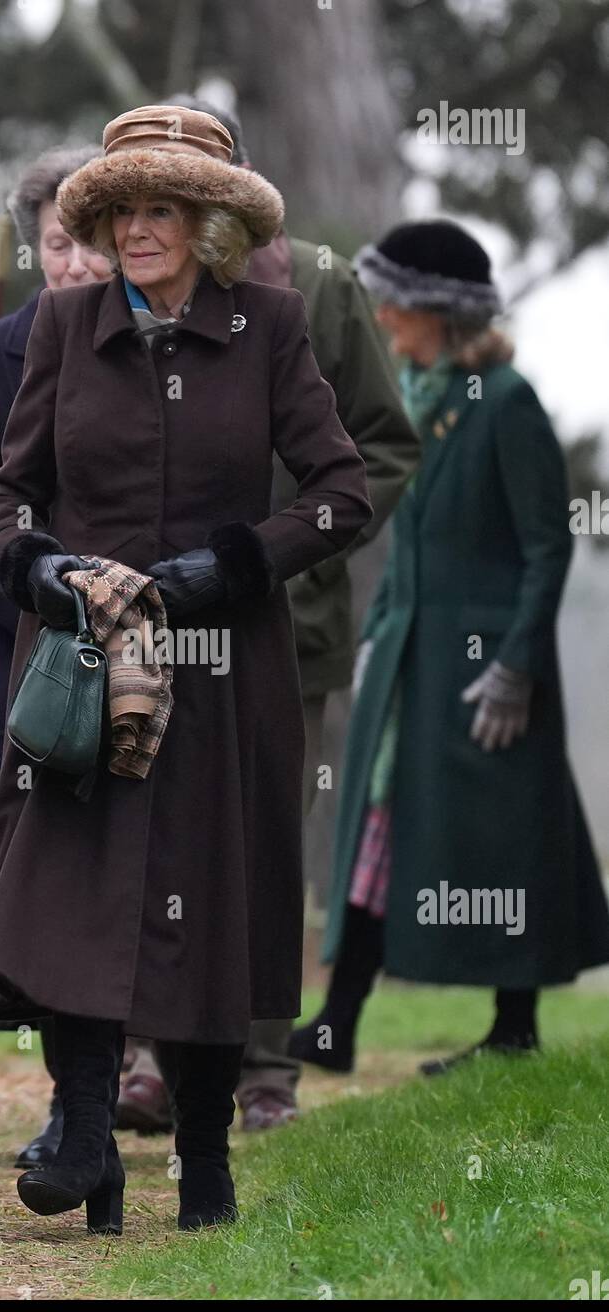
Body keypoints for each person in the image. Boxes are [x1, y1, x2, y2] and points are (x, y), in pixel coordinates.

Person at [0, 104, 372, 1234]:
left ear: (209, 224)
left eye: (163, 209)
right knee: (73, 899)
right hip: (86, 664)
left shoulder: (272, 328)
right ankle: (85, 1132)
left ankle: (205, 1159)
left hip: (219, 664)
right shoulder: (63, 324)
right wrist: (37, 567)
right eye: (122, 210)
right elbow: (7, 492)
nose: (138, 230)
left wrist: (234, 562)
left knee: (206, 913)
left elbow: (341, 489)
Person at [115, 94, 419, 1134]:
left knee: (256, 842)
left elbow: (382, 445)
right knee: (147, 833)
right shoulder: (116, 289)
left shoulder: (321, 287)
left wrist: (281, 541)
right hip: (140, 618)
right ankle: (150, 1060)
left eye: (186, 187)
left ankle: (260, 1069)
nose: (157, 213)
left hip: (287, 619)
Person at [289, 220, 609, 1075]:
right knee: (373, 830)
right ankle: (337, 1023)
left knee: (510, 837)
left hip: (486, 667)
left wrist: (514, 669)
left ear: (439, 309)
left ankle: (515, 1030)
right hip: (407, 660)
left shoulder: (505, 402)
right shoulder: (414, 399)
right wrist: (376, 639)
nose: (383, 315)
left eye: (396, 300)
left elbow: (549, 546)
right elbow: (410, 542)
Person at [0, 146, 111, 1169]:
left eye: (92, 240)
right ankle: (71, 1101)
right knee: (36, 883)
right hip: (23, 658)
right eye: (58, 243)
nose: (79, 263)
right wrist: (30, 598)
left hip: (147, 644)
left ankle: (144, 1091)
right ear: (31, 243)